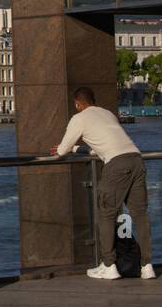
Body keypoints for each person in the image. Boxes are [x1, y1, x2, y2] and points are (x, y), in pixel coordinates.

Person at [51, 87, 155, 280]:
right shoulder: (107, 113)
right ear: (94, 100)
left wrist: (66, 148)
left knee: (106, 214)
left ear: (77, 104)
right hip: (136, 159)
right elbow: (99, 147)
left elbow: (62, 150)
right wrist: (77, 148)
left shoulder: (79, 118)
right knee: (140, 214)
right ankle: (147, 265)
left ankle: (109, 265)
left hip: (116, 166)